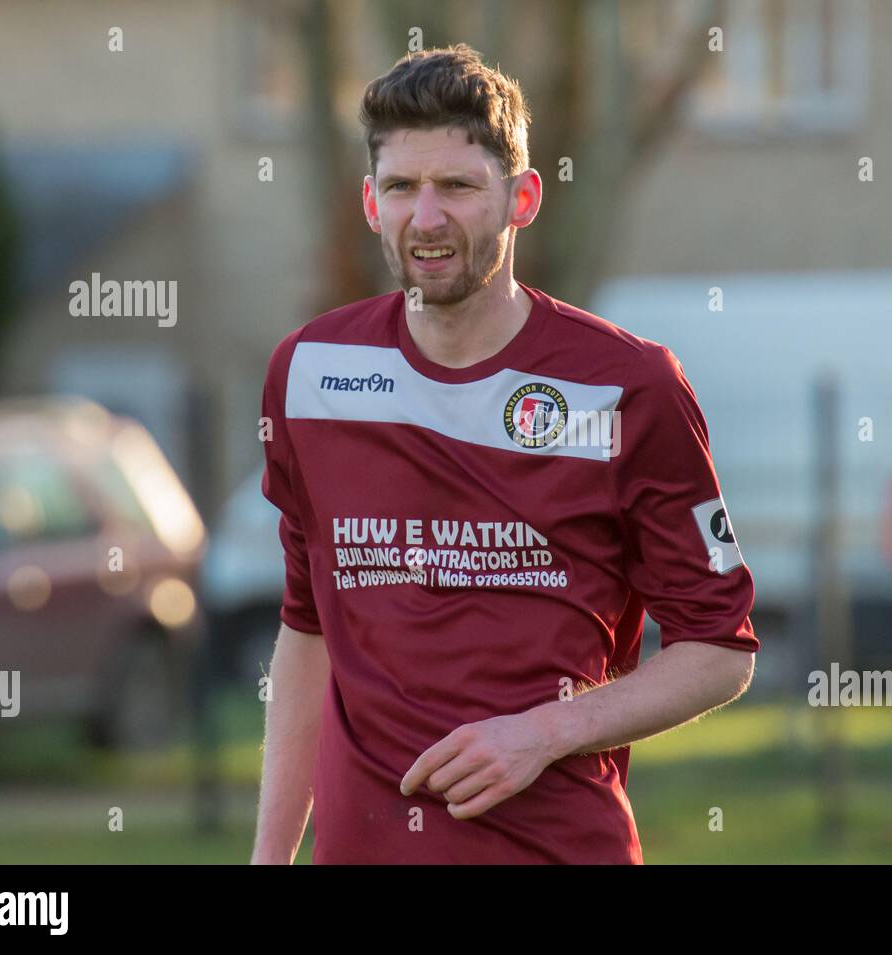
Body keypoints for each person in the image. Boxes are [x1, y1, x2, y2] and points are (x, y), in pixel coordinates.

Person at [250, 43, 757, 865]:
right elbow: (306, 628)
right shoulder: (310, 373)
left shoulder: (628, 386)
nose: (428, 218)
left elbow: (719, 649)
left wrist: (543, 733)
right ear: (371, 205)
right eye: (401, 188)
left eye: (457, 186)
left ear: (521, 198)